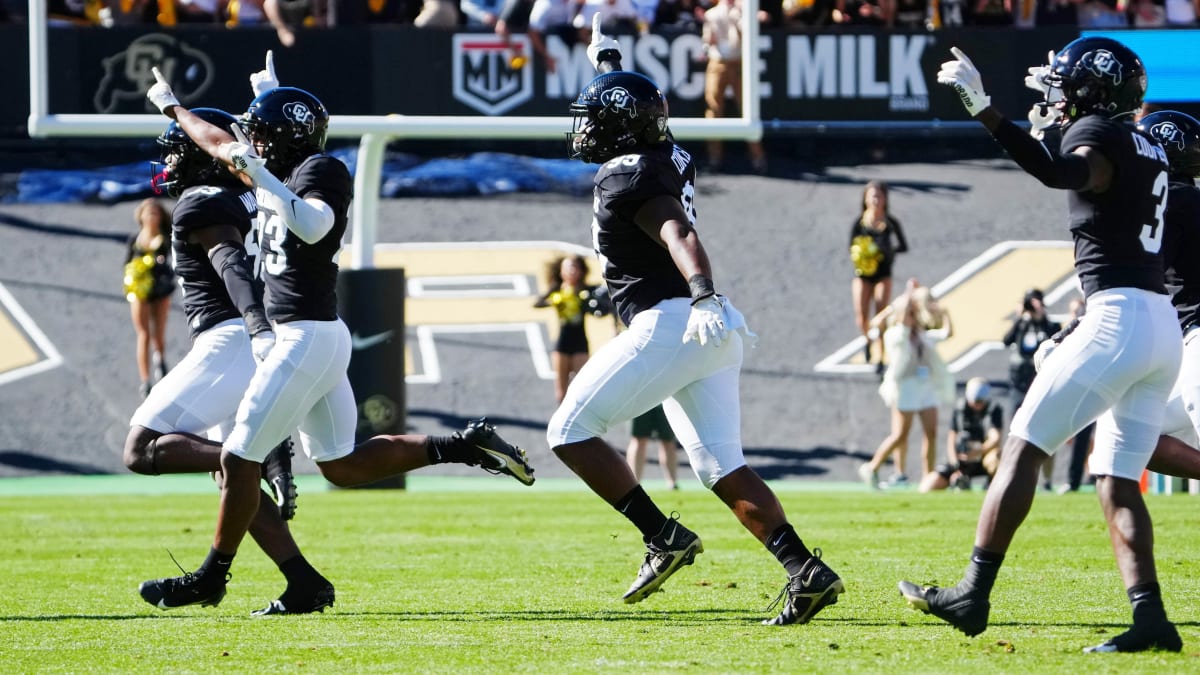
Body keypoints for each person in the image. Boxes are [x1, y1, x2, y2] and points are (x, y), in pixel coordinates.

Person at [137, 58, 535, 611]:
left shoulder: (320, 168)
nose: (251, 145)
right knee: (341, 464)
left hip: (301, 336)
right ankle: (464, 445)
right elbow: (223, 144)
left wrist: (261, 172)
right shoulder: (275, 173)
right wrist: (177, 108)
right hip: (315, 337)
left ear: (284, 138)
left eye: (262, 135)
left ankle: (212, 576)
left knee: (239, 459)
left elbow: (315, 224)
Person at [549, 17, 844, 626]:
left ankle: (662, 537)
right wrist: (607, 61)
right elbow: (638, 110)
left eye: (595, 119)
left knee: (569, 430)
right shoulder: (666, 150)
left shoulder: (625, 173)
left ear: (621, 128)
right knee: (720, 464)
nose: (586, 128)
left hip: (672, 322)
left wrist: (702, 291)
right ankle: (804, 570)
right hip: (710, 330)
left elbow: (677, 232)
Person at [901, 38, 1183, 653]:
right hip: (1161, 325)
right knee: (1116, 478)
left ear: (1094, 89)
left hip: (1117, 318)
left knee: (1022, 448)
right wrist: (1054, 130)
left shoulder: (1098, 135)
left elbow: (1064, 173)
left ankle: (972, 593)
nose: (1058, 93)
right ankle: (1151, 619)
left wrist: (987, 112)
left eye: (1068, 83)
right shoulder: (1149, 142)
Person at [126, 106, 328, 615]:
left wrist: (255, 323)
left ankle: (258, 454)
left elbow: (231, 264)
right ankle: (303, 580)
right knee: (230, 477)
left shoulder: (202, 201)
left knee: (141, 449)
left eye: (177, 153)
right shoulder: (251, 195)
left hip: (233, 338)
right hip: (252, 336)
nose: (169, 164)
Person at [858, 281, 954, 488]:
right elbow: (896, 323)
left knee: (931, 432)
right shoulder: (895, 334)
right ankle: (873, 467)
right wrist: (908, 297)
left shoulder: (921, 334)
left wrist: (944, 312)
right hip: (906, 387)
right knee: (901, 434)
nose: (913, 316)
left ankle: (928, 477)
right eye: (910, 313)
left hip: (925, 386)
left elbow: (945, 333)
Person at [1001, 288, 1061, 490]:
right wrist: (1021, 318)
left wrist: (1040, 318)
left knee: (1048, 432)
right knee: (1016, 431)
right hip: (1019, 386)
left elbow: (1057, 340)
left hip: (1042, 384)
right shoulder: (1021, 324)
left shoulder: (1050, 325)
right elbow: (1006, 340)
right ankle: (1011, 476)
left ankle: (1047, 480)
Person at [700, 0, 767, 174]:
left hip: (738, 63)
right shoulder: (713, 14)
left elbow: (746, 35)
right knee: (714, 108)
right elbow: (709, 40)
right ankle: (715, 157)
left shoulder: (740, 13)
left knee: (747, 109)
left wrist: (740, 16)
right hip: (718, 62)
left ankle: (757, 156)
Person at [534, 254, 610, 403]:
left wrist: (588, 301)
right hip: (561, 345)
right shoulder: (557, 289)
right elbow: (537, 303)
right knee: (561, 393)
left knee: (584, 390)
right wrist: (554, 301)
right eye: (567, 267)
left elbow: (601, 305)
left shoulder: (586, 291)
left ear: (581, 271)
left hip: (580, 344)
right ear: (561, 271)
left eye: (574, 267)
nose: (571, 270)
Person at [849, 180, 908, 369]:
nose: (875, 200)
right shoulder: (859, 223)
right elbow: (851, 246)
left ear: (884, 199)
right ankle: (867, 340)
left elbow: (903, 246)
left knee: (881, 313)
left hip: (883, 273)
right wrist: (864, 255)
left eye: (878, 196)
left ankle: (881, 356)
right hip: (863, 274)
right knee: (861, 315)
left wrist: (887, 252)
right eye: (872, 196)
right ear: (865, 199)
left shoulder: (890, 223)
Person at [124, 197, 176, 399]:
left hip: (160, 291)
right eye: (149, 212)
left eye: (156, 212)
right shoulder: (134, 240)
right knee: (143, 334)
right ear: (142, 216)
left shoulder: (165, 239)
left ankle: (160, 359)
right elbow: (127, 265)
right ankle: (145, 380)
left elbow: (173, 261)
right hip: (140, 292)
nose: (152, 216)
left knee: (158, 333)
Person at [919, 377, 1003, 493]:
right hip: (961, 459)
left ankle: (992, 486)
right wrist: (955, 465)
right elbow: (951, 439)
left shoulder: (993, 410)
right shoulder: (960, 410)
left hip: (983, 457)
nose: (978, 405)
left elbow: (995, 438)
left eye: (981, 401)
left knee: (995, 460)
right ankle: (960, 481)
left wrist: (979, 450)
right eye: (975, 401)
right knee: (928, 486)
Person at [625, 404, 679, 490]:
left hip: (664, 400)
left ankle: (672, 483)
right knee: (638, 439)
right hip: (640, 400)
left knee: (668, 440)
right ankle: (634, 484)